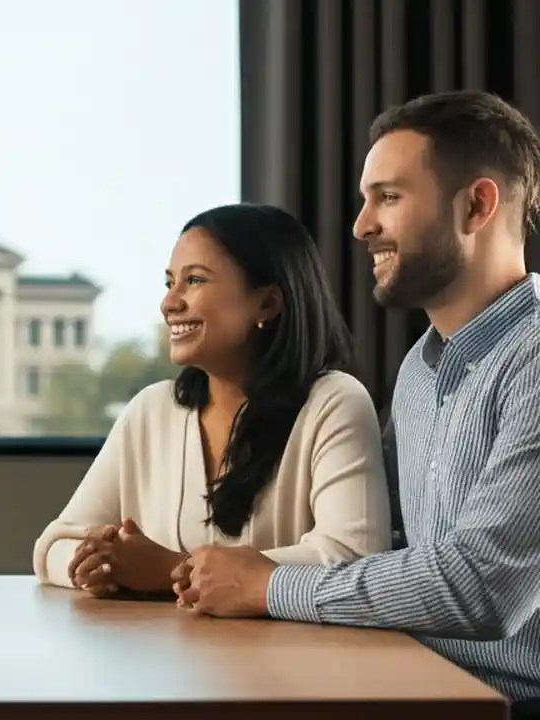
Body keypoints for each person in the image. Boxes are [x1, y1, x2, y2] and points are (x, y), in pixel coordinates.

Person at [171, 91, 540, 715]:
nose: (361, 225)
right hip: (401, 681)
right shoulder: (420, 371)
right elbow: (381, 544)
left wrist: (269, 585)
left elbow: (485, 588)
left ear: (477, 205)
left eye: (389, 198)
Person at [33, 203, 391, 597]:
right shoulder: (150, 412)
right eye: (170, 283)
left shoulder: (334, 403)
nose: (170, 303)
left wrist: (172, 571)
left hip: (287, 659)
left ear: (267, 304)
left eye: (195, 281)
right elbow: (54, 545)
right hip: (162, 657)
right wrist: (98, 563)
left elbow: (354, 560)